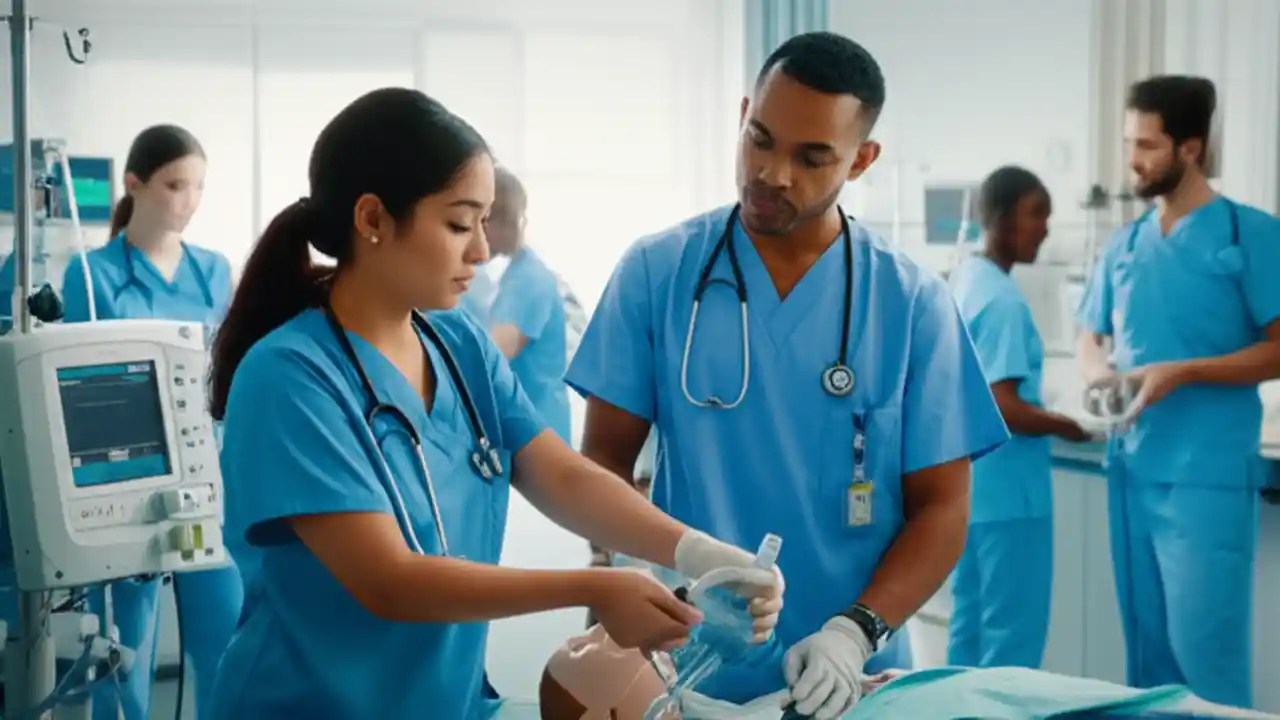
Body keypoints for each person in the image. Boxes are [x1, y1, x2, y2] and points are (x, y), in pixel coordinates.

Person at [204, 87, 784, 720]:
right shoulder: (289, 378)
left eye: (484, 223)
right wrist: (592, 587)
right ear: (372, 220)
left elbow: (559, 474)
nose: (481, 251)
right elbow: (388, 580)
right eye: (458, 224)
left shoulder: (456, 345)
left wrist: (696, 550)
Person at [564, 31, 1009, 720]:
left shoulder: (912, 303)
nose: (773, 173)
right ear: (743, 114)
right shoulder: (658, 274)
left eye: (812, 157)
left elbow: (943, 508)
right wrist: (629, 587)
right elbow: (602, 465)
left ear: (861, 159)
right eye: (760, 139)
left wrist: (852, 634)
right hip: (685, 661)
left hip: (854, 679)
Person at [1077, 75, 1280, 709]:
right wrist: (1099, 379)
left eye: (1146, 146)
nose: (1131, 161)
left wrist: (1180, 372)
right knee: (1148, 663)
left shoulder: (1252, 235)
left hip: (1206, 477)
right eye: (1129, 144)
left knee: (1206, 657)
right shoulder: (1126, 243)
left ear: (1190, 148)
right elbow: (1091, 338)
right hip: (1132, 470)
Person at [55, 124, 243, 720]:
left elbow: (229, 374)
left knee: (226, 642)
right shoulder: (90, 276)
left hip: (209, 477)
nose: (188, 201)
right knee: (121, 652)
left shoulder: (214, 272)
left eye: (198, 188)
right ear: (133, 184)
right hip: (126, 481)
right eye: (174, 185)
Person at [946, 166, 1091, 670]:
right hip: (1011, 496)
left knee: (969, 627)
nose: (1045, 228)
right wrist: (1064, 424)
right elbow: (1002, 404)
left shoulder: (967, 278)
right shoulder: (1003, 300)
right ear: (1004, 220)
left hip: (969, 490)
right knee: (1012, 636)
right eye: (1037, 215)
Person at [484, 166, 572, 441]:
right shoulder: (512, 275)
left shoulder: (529, 280)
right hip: (529, 428)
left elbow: (495, 352)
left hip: (535, 433)